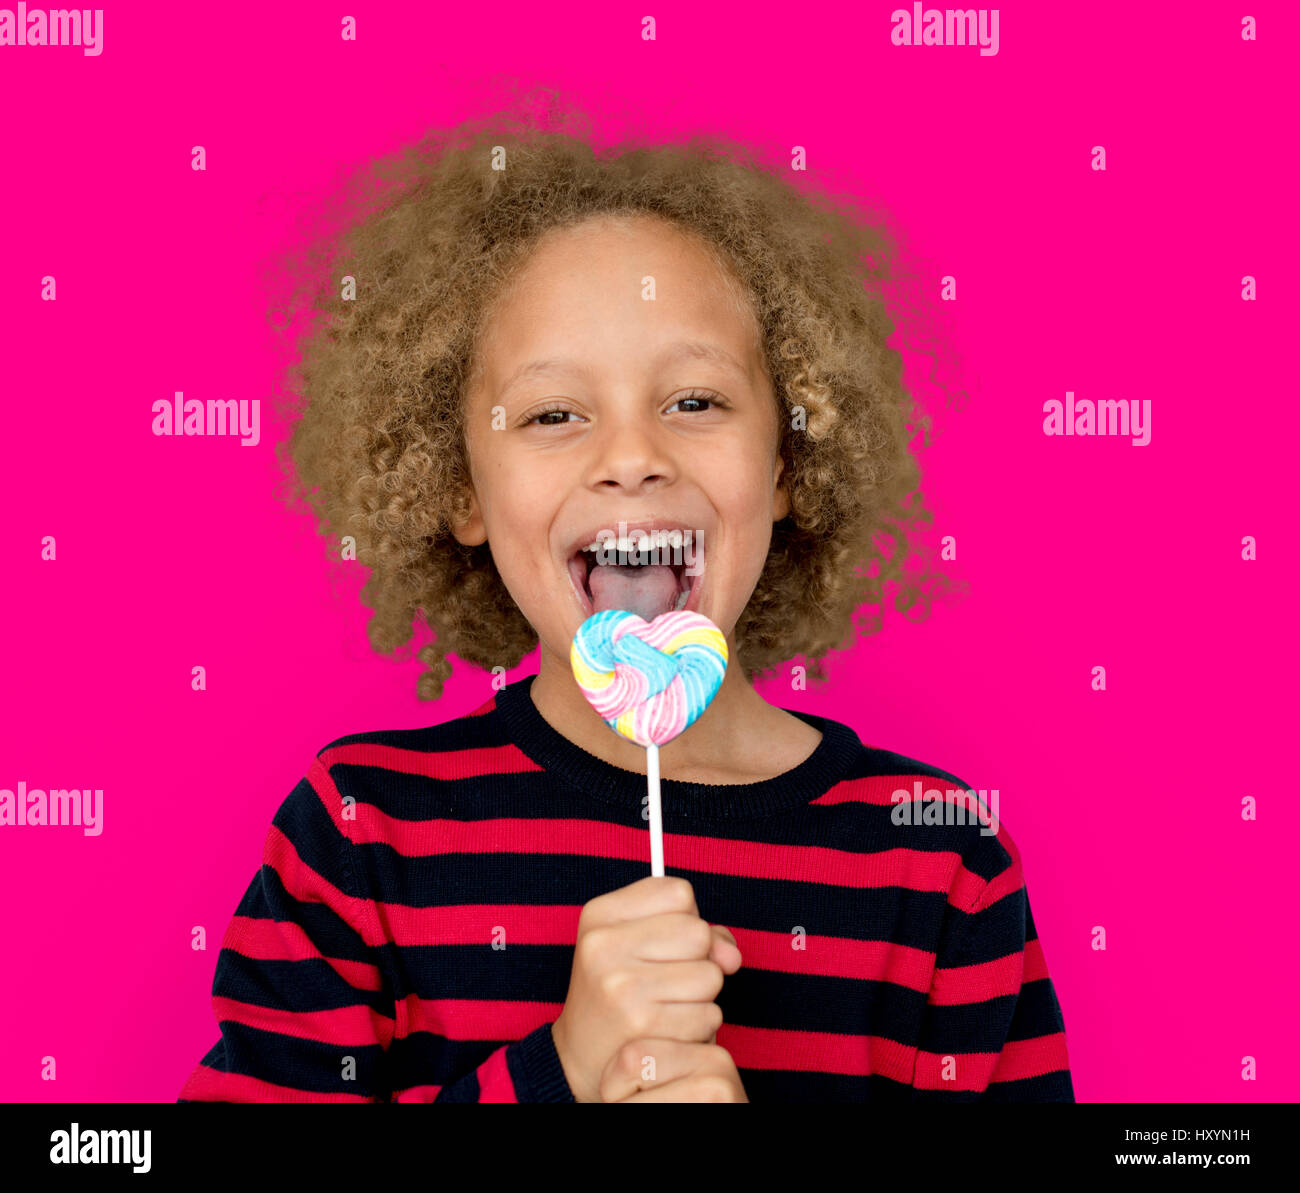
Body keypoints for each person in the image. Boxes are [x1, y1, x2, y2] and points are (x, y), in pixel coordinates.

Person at [179, 95, 1073, 1103]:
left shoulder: (936, 852)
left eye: (694, 401)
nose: (633, 457)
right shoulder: (362, 832)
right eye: (554, 412)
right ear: (460, 487)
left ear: (786, 459)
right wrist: (560, 1070)